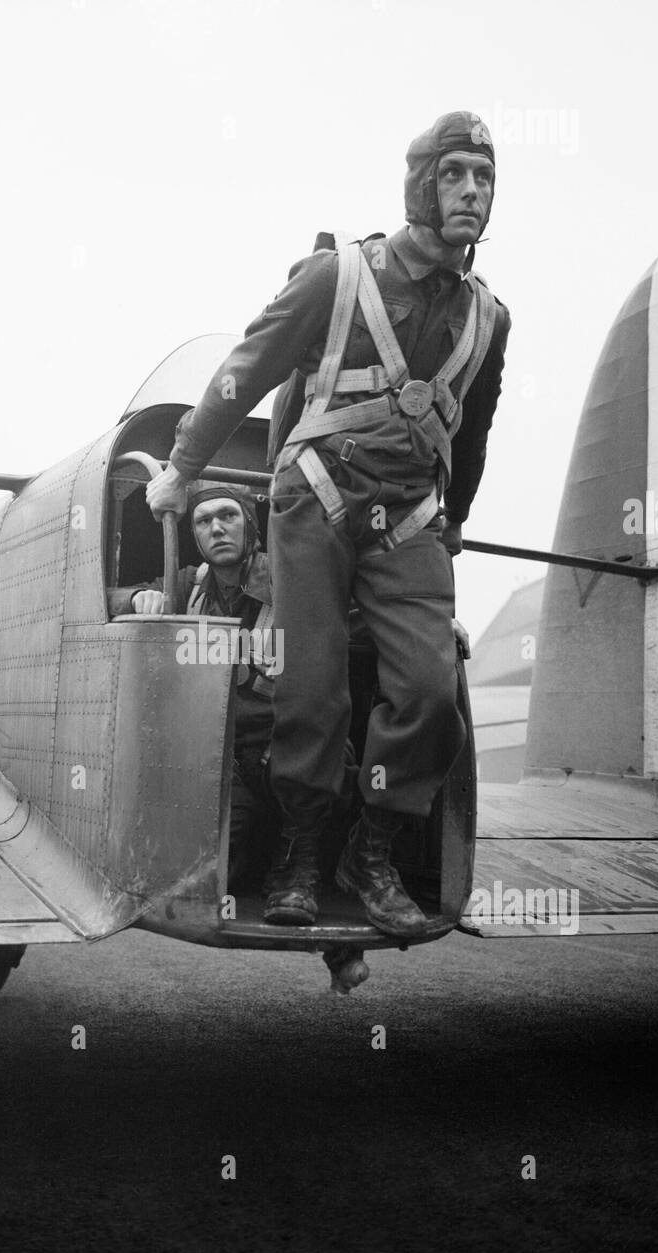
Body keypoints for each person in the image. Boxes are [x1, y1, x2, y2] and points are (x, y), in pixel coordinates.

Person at [147, 111, 511, 940]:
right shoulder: (337, 277)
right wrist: (185, 463)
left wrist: (454, 526)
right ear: (422, 185)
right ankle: (303, 853)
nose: (470, 192)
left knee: (430, 693)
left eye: (483, 179)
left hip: (413, 516)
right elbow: (249, 366)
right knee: (310, 691)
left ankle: (371, 849)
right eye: (454, 174)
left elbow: (474, 431)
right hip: (315, 500)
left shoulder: (490, 318)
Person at [108, 481, 278, 886]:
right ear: (196, 536)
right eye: (204, 521)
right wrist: (136, 600)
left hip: (279, 743)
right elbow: (107, 596)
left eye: (228, 516)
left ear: (250, 526)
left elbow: (354, 605)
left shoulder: (288, 578)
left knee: (322, 774)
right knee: (208, 873)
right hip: (214, 752)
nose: (216, 528)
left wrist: (436, 625)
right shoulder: (187, 583)